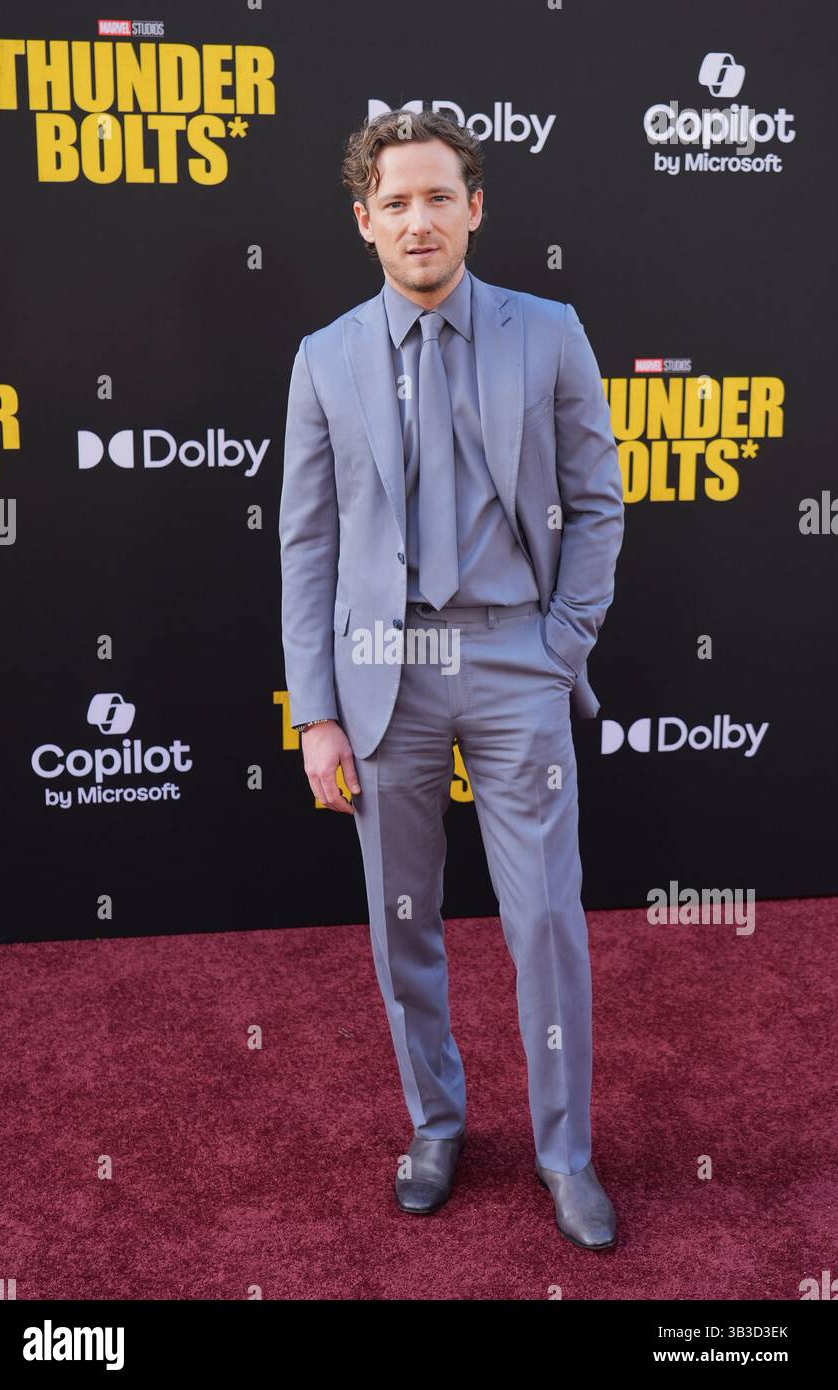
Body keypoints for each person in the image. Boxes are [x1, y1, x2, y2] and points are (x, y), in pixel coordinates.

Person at [279, 109, 624, 1250]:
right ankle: (435, 1124)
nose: (417, 219)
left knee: (545, 922)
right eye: (395, 202)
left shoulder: (549, 331)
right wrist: (316, 710)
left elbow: (598, 500)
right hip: (383, 672)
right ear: (364, 221)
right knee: (402, 922)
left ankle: (564, 1151)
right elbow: (308, 545)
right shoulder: (325, 357)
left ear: (474, 207)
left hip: (515, 657)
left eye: (439, 196)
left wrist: (562, 640)